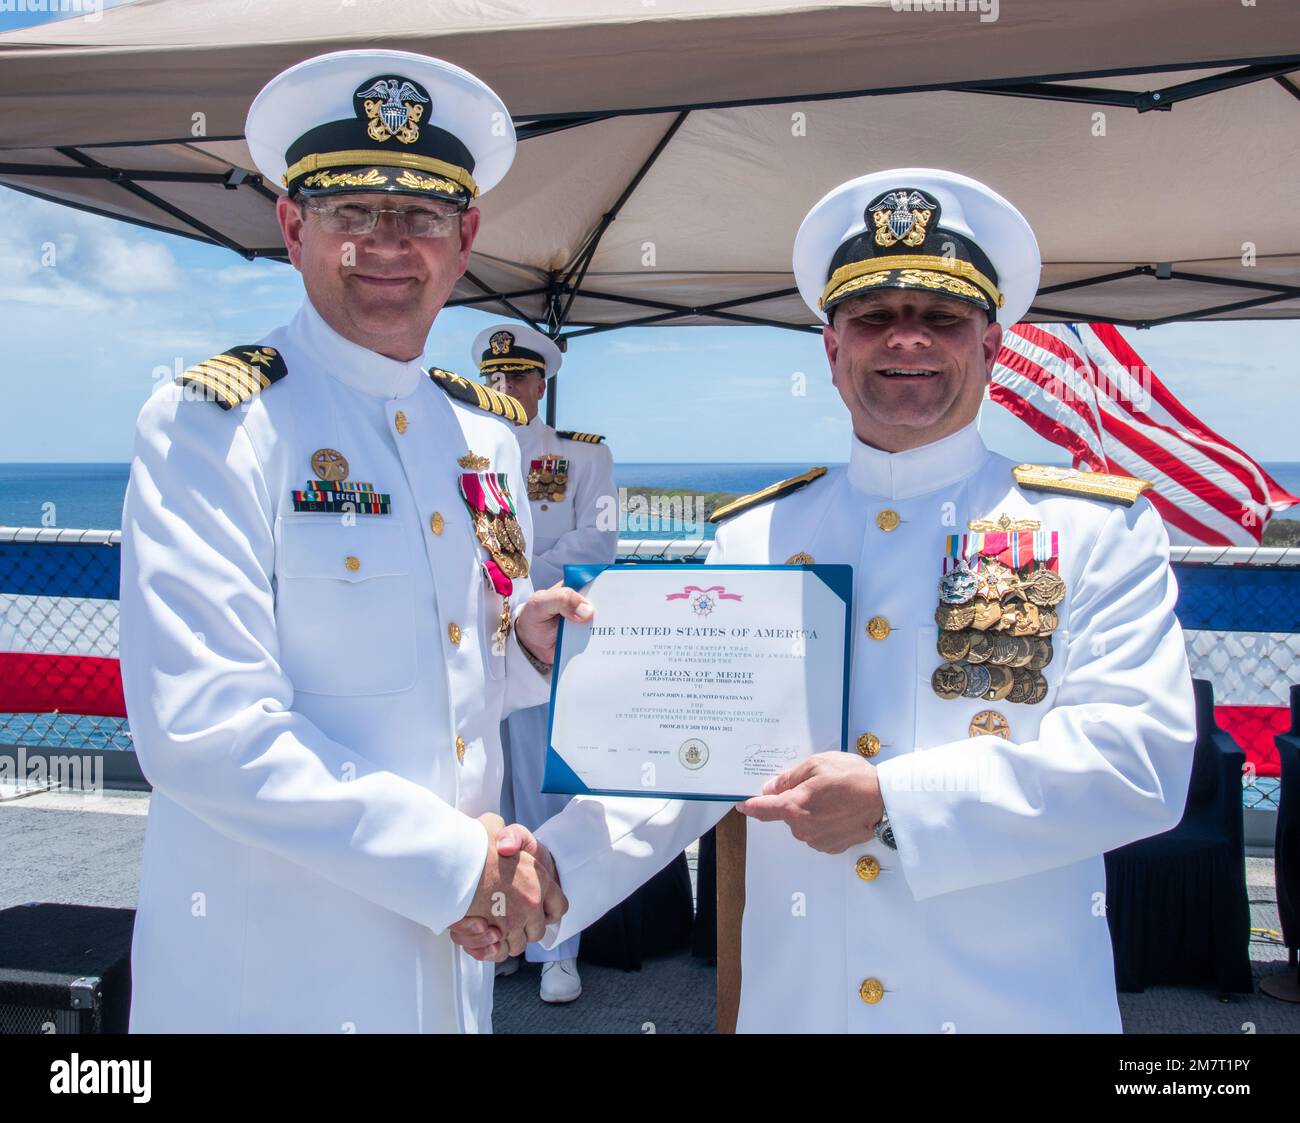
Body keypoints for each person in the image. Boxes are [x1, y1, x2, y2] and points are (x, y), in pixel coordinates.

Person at [452, 168, 1197, 1033]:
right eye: (874, 317)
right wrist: (550, 869)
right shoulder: (756, 535)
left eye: (941, 317)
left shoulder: (1096, 530)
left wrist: (895, 802)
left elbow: (1139, 760)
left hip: (1012, 1008)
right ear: (831, 349)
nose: (905, 341)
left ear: (992, 347)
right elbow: (689, 759)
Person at [118, 49, 584, 1034]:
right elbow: (206, 729)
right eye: (350, 213)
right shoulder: (212, 422)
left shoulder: (486, 434)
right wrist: (462, 866)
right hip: (273, 974)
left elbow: (465, 665)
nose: (385, 244)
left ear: (463, 237)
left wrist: (529, 647)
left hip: (452, 969)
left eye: (416, 216)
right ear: (294, 228)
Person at [474, 322, 618, 1002]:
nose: (505, 387)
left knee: (543, 788)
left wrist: (519, 581)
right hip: (474, 641)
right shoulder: (461, 450)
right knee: (481, 790)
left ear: (541, 383)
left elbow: (601, 537)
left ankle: (559, 945)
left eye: (518, 376)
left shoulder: (582, 457)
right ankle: (498, 936)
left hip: (545, 639)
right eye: (494, 376)